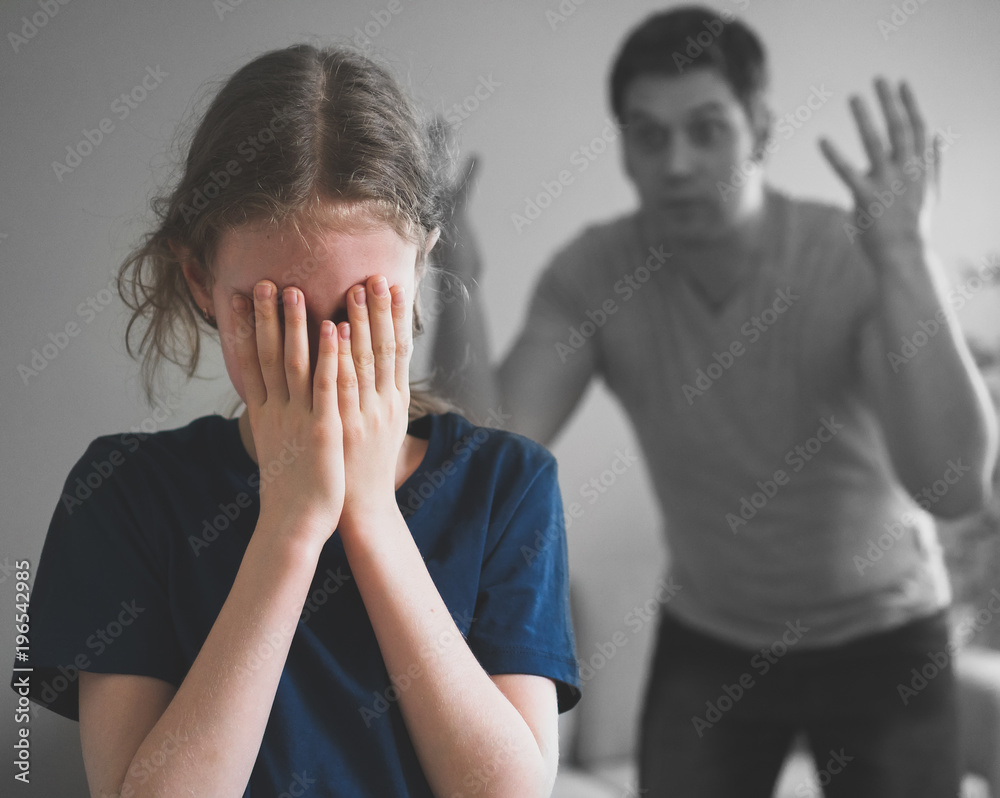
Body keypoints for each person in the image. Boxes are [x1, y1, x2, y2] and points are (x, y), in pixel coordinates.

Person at [431, 6, 998, 797]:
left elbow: (955, 485)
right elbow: (481, 464)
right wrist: (456, 282)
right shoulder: (596, 273)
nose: (678, 163)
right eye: (648, 134)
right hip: (715, 639)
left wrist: (906, 259)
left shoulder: (849, 257)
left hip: (886, 632)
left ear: (761, 130)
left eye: (708, 129)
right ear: (623, 147)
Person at [13, 44, 580, 798]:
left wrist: (371, 514)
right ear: (200, 282)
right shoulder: (123, 494)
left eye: (358, 310)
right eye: (275, 314)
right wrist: (290, 525)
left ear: (420, 274)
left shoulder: (508, 487)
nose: (320, 359)